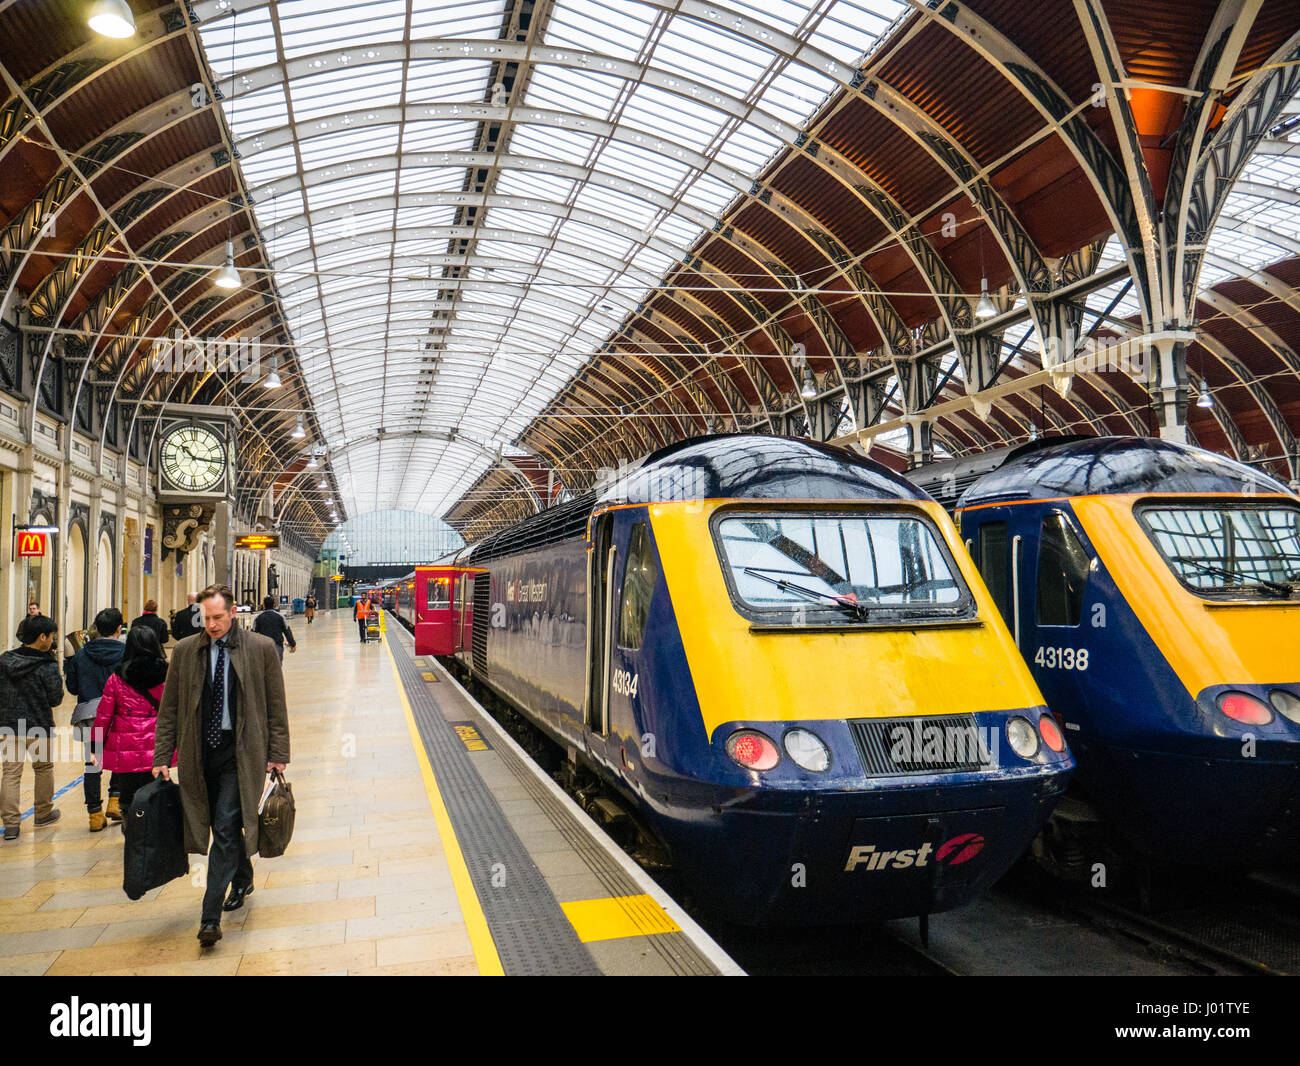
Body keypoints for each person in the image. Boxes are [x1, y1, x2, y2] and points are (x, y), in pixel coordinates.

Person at [153, 585, 290, 947]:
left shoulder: (260, 649)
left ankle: (209, 917)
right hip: (199, 754)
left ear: (232, 614)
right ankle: (242, 877)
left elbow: (276, 706)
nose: (211, 625)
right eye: (206, 618)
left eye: (218, 617)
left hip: (241, 754)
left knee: (227, 827)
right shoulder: (185, 652)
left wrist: (279, 753)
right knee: (216, 823)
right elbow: (168, 710)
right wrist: (162, 757)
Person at [90, 627, 173, 823]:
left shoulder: (117, 678)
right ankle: (153, 833)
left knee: (128, 795)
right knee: (156, 790)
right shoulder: (167, 674)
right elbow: (174, 711)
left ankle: (131, 832)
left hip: (126, 746)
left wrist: (95, 746)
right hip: (157, 744)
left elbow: (104, 715)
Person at [0, 615, 64, 840]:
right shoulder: (46, 665)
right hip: (38, 725)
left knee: (11, 773)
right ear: (42, 637)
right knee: (43, 768)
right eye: (51, 636)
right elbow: (56, 699)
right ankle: (43, 812)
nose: (52, 640)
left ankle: (10, 825)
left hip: (8, 726)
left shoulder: (4, 660)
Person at [64, 608, 126, 831]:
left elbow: (72, 687)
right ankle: (115, 801)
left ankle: (95, 815)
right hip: (119, 712)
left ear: (97, 629)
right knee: (119, 758)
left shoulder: (81, 654)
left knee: (92, 764)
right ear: (120, 629)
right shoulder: (126, 652)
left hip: (90, 716)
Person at [252, 597, 296, 662]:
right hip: (277, 646)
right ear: (274, 605)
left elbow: (253, 633)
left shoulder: (258, 617)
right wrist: (292, 644)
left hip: (263, 648)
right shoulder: (280, 617)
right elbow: (287, 631)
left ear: (264, 605)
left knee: (264, 669)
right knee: (277, 669)